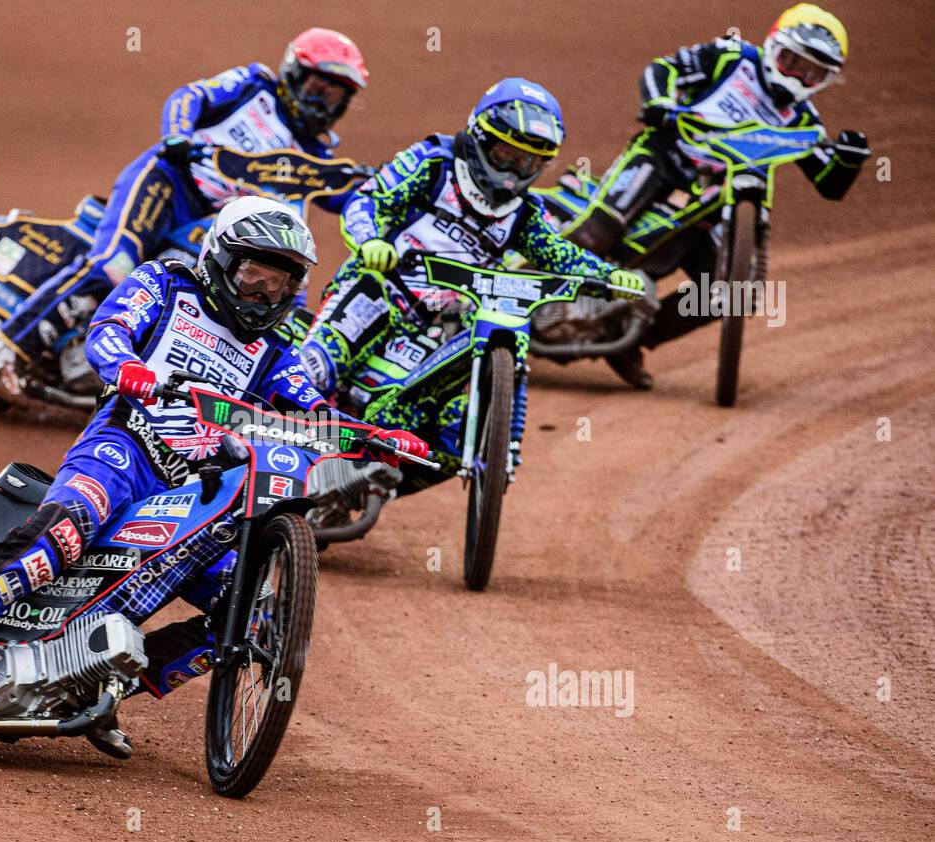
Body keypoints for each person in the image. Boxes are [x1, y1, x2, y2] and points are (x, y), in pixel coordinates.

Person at [0, 197, 428, 754]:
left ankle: (95, 688)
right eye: (255, 275)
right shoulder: (164, 283)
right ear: (220, 260)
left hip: (191, 490)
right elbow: (107, 330)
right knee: (59, 536)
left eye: (281, 285)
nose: (266, 295)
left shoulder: (276, 351)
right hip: (121, 450)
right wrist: (128, 370)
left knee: (250, 613)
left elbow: (310, 411)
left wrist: (375, 438)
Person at [0, 28, 371, 389]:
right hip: (170, 182)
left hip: (214, 227)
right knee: (114, 266)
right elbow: (191, 96)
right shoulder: (253, 86)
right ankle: (4, 351)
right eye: (319, 87)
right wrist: (178, 137)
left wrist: (382, 191)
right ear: (294, 72)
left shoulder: (316, 161)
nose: (323, 103)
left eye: (336, 95)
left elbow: (339, 205)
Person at [299, 78, 642, 485]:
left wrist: (607, 275)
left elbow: (554, 250)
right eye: (507, 155)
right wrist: (371, 241)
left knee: (437, 423)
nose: (515, 173)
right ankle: (251, 452)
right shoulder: (434, 162)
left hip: (447, 321)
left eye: (529, 163)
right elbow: (368, 199)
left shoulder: (525, 211)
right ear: (480, 136)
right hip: (384, 289)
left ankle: (366, 475)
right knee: (314, 373)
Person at [563, 3, 870, 388]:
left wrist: (850, 159)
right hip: (666, 157)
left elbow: (830, 182)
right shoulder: (731, 57)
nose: (797, 75)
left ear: (825, 79)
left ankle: (631, 339)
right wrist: (658, 104)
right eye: (792, 61)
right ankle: (517, 297)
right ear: (774, 45)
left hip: (723, 201)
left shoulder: (803, 122)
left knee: (733, 296)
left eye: (811, 72)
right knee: (595, 235)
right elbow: (664, 68)